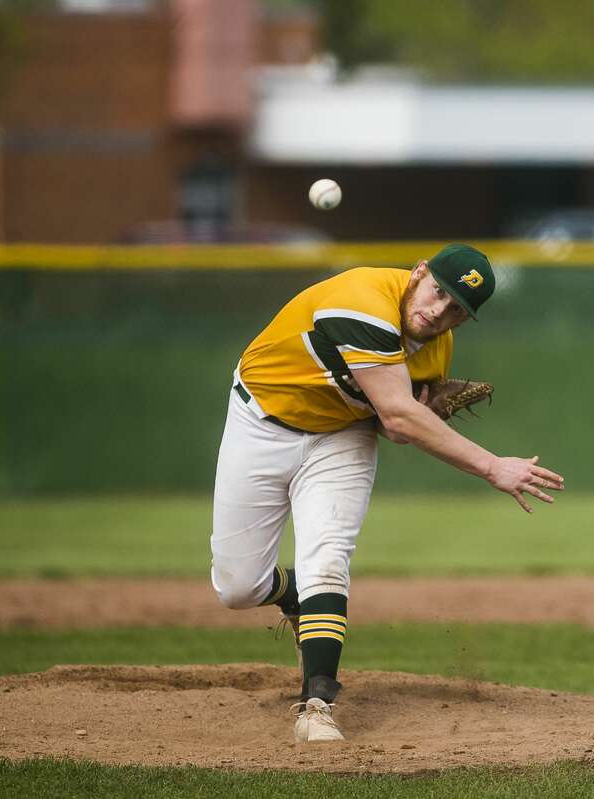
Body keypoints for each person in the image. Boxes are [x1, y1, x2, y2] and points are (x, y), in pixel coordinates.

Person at [209, 244, 564, 744]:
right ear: (418, 273)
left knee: (328, 558)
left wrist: (416, 415)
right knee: (237, 588)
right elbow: (399, 416)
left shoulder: (436, 346)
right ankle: (296, 597)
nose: (439, 311)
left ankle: (317, 706)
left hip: (341, 437)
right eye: (438, 291)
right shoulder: (361, 301)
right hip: (261, 423)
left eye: (457, 309)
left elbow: (391, 428)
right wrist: (491, 466)